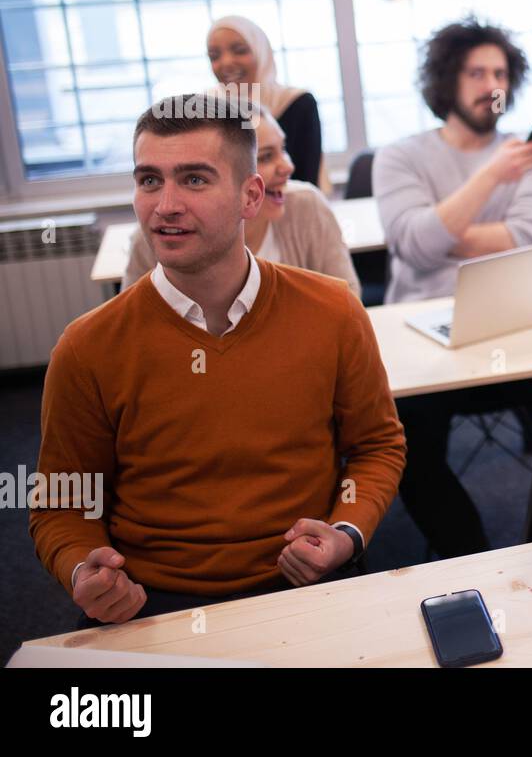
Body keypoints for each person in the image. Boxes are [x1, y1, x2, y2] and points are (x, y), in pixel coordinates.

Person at [30, 93, 405, 626]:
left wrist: (345, 534)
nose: (165, 206)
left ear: (251, 196)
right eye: (149, 181)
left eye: (195, 180)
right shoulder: (87, 346)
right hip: (150, 601)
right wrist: (82, 571)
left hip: (306, 581)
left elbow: (376, 445)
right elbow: (64, 501)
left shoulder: (332, 310)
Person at [374, 17, 532, 559]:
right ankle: (467, 553)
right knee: (407, 449)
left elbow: (529, 235)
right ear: (446, 80)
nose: (490, 85)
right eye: (476, 72)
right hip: (423, 337)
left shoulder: (531, 155)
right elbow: (412, 246)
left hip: (511, 328)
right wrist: (489, 179)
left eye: (500, 72)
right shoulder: (401, 156)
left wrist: (440, 231)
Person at [123, 110, 359, 297]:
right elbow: (132, 327)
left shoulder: (305, 204)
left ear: (252, 194)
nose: (288, 167)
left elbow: (346, 296)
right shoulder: (156, 237)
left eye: (282, 150)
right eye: (266, 156)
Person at [207, 15, 328, 191]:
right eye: (214, 56)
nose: (226, 63)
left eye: (240, 50)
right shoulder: (206, 110)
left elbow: (305, 179)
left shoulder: (297, 103)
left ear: (261, 51)